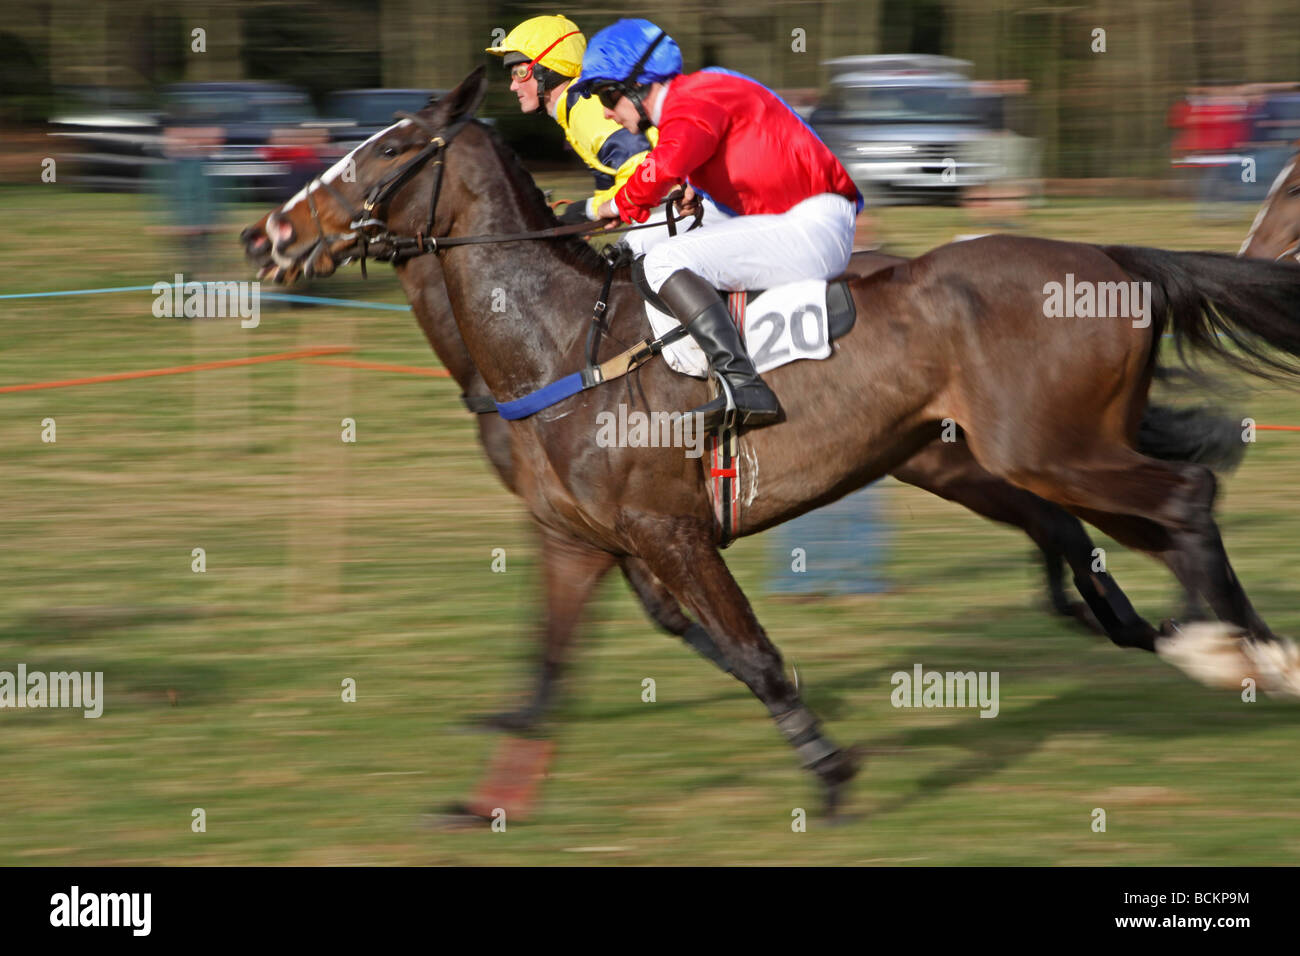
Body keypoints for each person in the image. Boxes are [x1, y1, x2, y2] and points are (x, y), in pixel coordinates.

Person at [575, 19, 863, 429]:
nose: (606, 110)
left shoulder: (694, 95)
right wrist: (698, 191)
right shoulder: (698, 97)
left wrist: (610, 207)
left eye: (609, 94)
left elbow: (664, 166)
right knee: (657, 245)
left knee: (663, 261)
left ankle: (742, 385)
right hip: (800, 219)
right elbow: (730, 161)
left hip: (813, 226)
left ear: (641, 83)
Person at [485, 15, 657, 228]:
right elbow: (609, 184)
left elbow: (643, 165)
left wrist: (589, 210)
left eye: (520, 73)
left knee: (637, 252)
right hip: (669, 196)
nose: (513, 86)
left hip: (688, 194)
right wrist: (581, 215)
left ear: (550, 69)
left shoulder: (585, 108)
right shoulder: (573, 109)